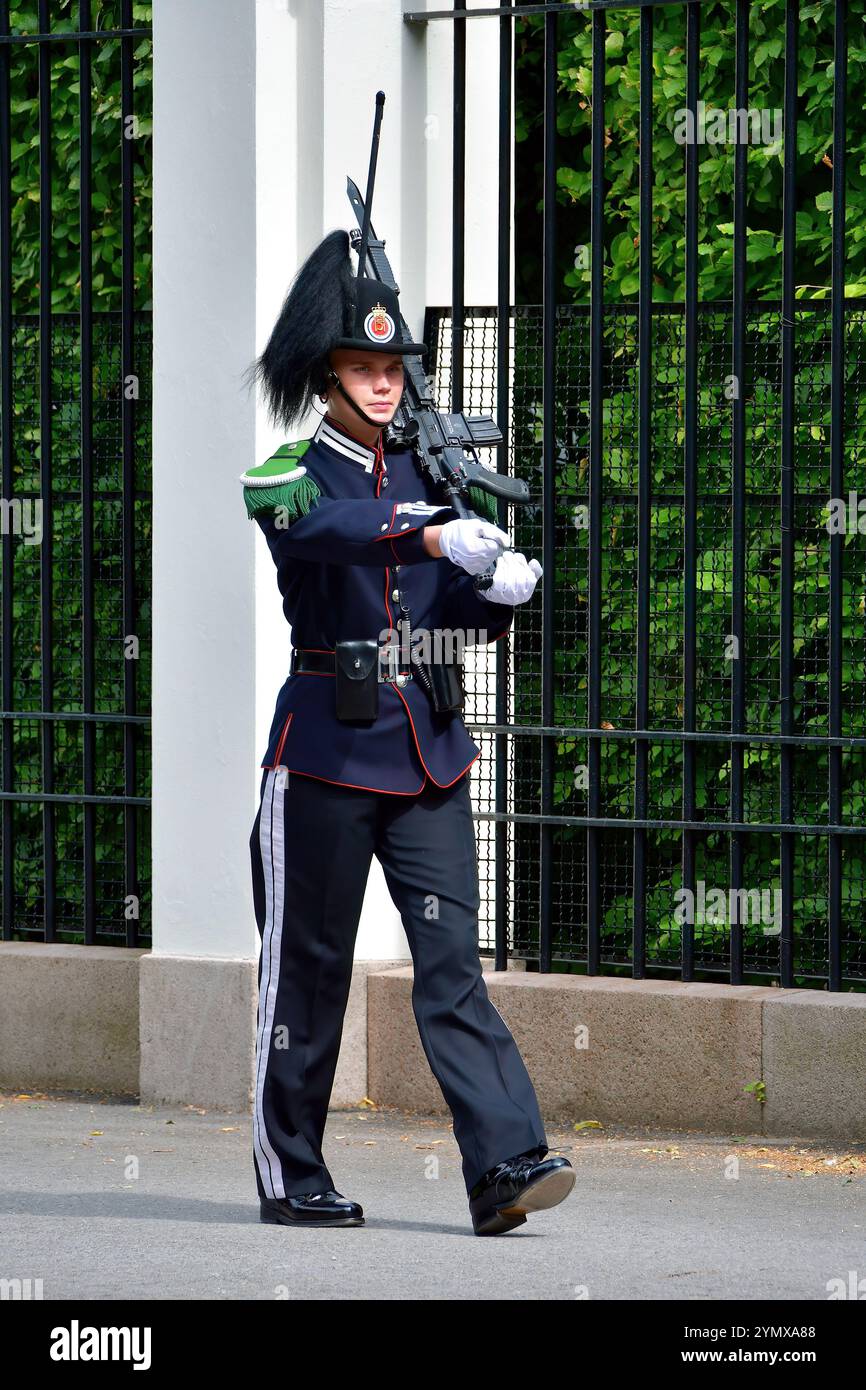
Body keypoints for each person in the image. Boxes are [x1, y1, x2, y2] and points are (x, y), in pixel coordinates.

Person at [241, 228, 575, 1236]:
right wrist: (427, 529)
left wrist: (499, 590)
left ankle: (502, 1163)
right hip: (327, 755)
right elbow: (320, 533)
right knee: (308, 969)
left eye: (392, 368)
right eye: (360, 367)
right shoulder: (289, 472)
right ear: (325, 375)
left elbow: (445, 616)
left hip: (426, 752)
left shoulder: (435, 476)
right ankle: (289, 1169)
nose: (382, 384)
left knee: (452, 967)